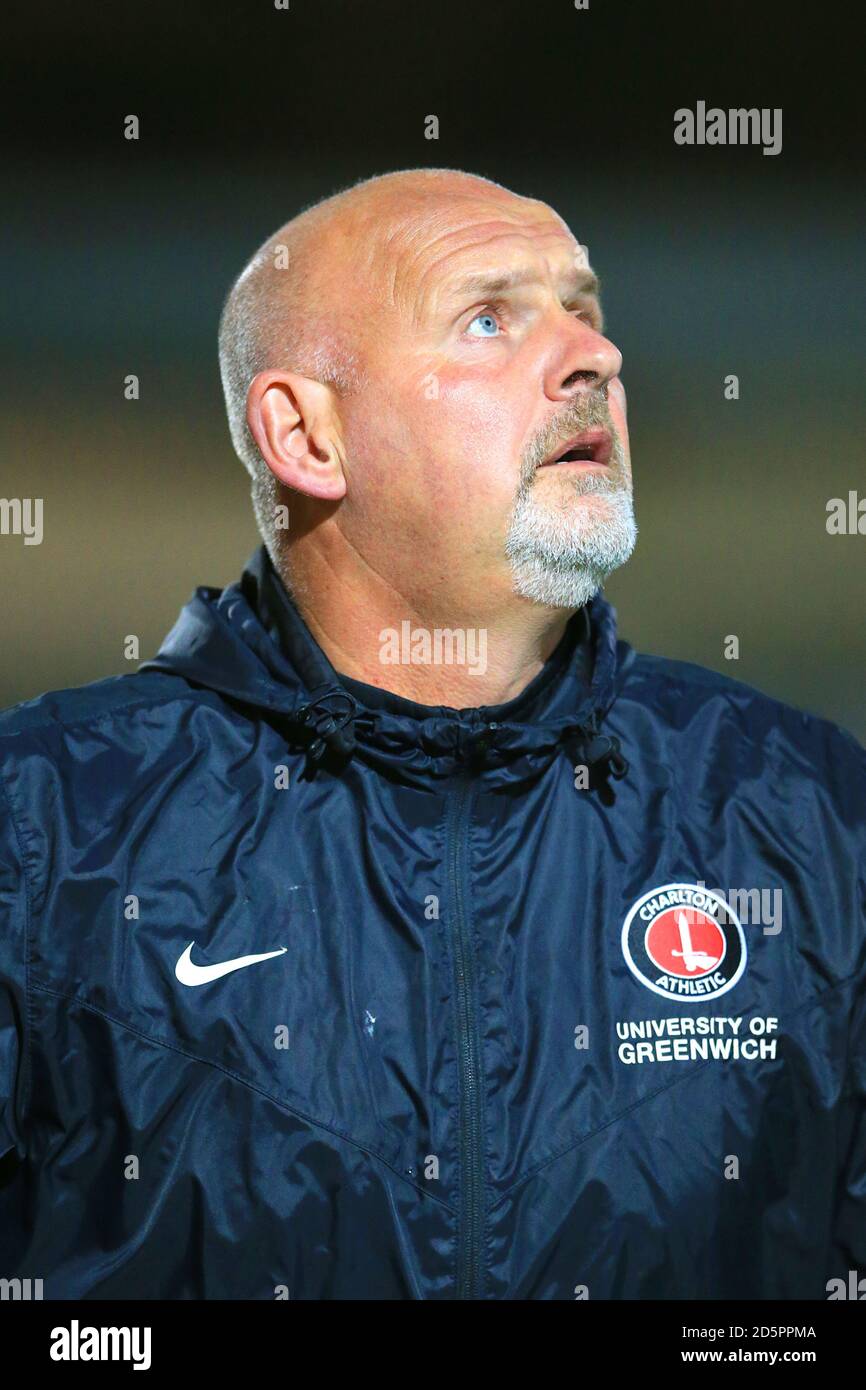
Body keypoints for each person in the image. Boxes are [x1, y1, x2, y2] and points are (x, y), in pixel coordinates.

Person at [0, 169, 863, 1300]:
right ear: (306, 436)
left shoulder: (811, 812)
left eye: (584, 311)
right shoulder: (43, 830)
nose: (591, 359)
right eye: (489, 319)